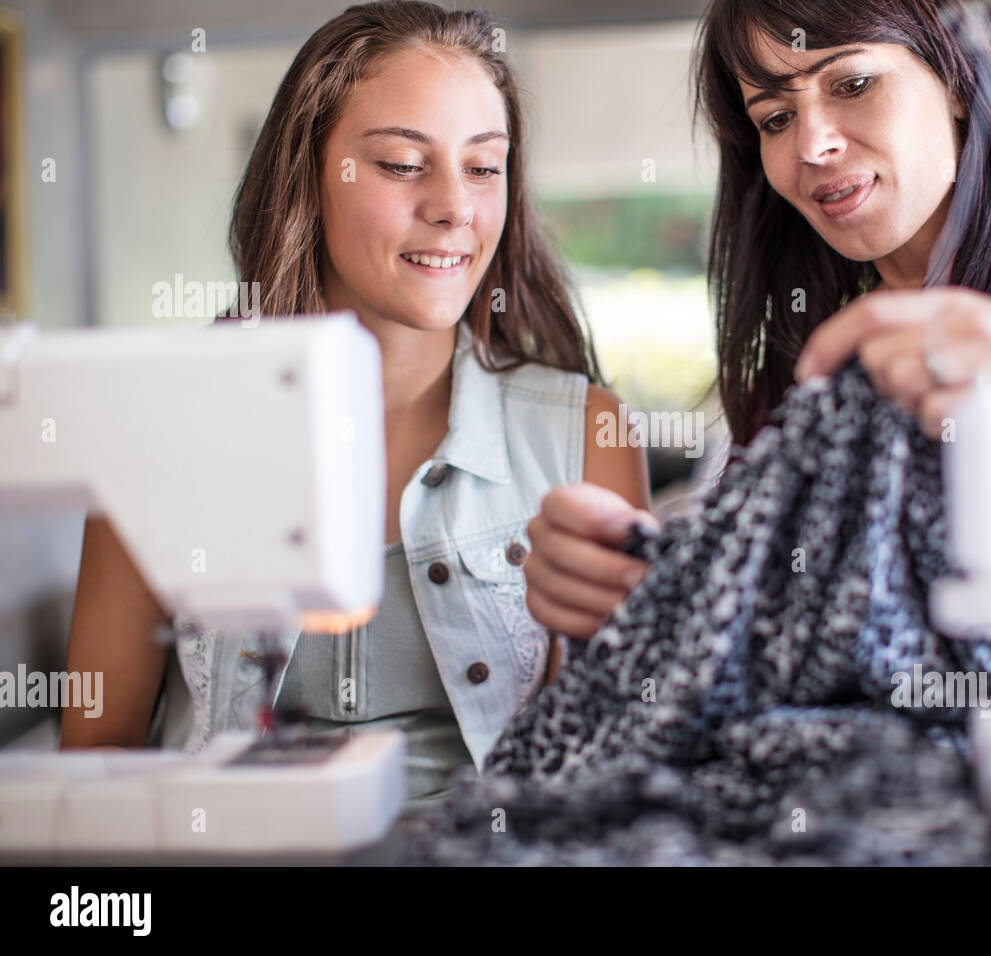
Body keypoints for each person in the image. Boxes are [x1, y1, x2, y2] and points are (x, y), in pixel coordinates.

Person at [522, 0, 991, 642]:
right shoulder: (803, 374)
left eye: (852, 83)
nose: (812, 145)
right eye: (776, 117)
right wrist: (639, 584)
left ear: (953, 77)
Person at [60, 1, 650, 806]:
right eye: (403, 163)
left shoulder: (587, 433)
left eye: (483, 166)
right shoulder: (158, 441)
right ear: (310, 176)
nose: (453, 205)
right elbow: (98, 760)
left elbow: (642, 750)